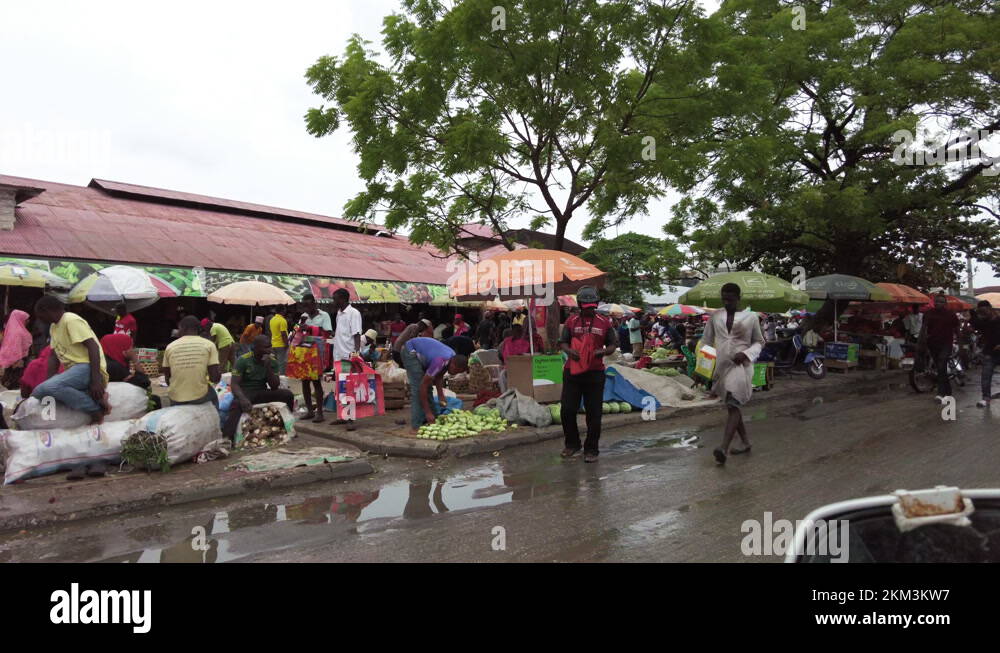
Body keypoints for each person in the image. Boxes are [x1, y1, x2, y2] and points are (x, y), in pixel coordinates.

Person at [701, 282, 765, 466]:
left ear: (738, 298)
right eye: (724, 298)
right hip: (722, 366)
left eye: (730, 298)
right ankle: (745, 442)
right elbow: (705, 342)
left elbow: (760, 342)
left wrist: (745, 353)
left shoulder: (751, 317)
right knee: (732, 406)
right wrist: (702, 369)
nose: (726, 302)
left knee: (734, 401)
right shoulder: (715, 316)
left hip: (741, 366)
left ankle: (723, 447)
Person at [559, 286, 617, 463]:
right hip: (573, 372)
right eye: (586, 306)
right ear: (579, 304)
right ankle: (572, 444)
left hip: (595, 373)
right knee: (567, 410)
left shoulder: (604, 322)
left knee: (594, 413)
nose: (589, 309)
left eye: (592, 306)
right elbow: (563, 342)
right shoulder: (571, 321)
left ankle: (591, 449)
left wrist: (603, 352)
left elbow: (613, 345)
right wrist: (570, 352)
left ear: (596, 304)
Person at [31, 295, 109, 423]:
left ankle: (95, 410)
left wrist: (96, 380)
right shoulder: (53, 327)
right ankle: (92, 397)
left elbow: (93, 347)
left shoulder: (70, 320)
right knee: (38, 392)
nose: (39, 319)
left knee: (50, 388)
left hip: (87, 367)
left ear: (46, 310)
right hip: (74, 371)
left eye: (40, 315)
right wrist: (49, 381)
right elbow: (53, 356)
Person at [223, 335, 295, 442]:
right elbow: (234, 384)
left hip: (261, 391)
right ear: (256, 348)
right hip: (246, 392)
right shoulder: (243, 360)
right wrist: (242, 398)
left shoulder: (272, 361)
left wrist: (268, 367)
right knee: (236, 405)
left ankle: (287, 426)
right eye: (266, 347)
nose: (270, 350)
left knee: (287, 395)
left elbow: (275, 386)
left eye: (270, 346)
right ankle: (227, 437)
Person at [400, 337, 469, 433]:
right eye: (457, 371)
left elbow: (439, 376)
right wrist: (428, 412)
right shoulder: (440, 361)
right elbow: (422, 386)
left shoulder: (452, 356)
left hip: (424, 352)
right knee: (418, 387)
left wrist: (441, 395)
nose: (455, 374)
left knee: (428, 387)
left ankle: (432, 417)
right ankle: (416, 425)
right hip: (410, 351)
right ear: (454, 365)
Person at [287, 295, 332, 423]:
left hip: (317, 352)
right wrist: (297, 328)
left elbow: (328, 333)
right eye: (304, 305)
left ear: (314, 303)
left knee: (316, 382)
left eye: (308, 305)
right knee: (304, 381)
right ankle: (310, 411)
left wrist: (310, 328)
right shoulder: (304, 316)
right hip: (304, 352)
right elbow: (295, 331)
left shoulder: (324, 315)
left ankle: (320, 413)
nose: (306, 308)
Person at [162, 316, 221, 406]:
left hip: (176, 397)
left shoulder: (170, 346)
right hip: (200, 396)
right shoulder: (209, 345)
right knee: (214, 398)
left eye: (179, 328)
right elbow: (214, 378)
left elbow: (167, 379)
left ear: (183, 328)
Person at [918, 293, 960, 401]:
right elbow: (924, 328)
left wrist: (960, 342)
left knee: (941, 365)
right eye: (937, 301)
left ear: (945, 303)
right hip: (932, 343)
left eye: (941, 302)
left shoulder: (951, 314)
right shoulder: (928, 314)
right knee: (940, 369)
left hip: (946, 343)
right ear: (934, 303)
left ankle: (940, 393)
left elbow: (956, 328)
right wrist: (922, 341)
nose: (939, 303)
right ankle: (948, 391)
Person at [969, 300, 1000, 408]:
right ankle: (986, 398)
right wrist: (972, 313)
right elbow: (975, 324)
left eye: (984, 311)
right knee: (986, 376)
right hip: (989, 352)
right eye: (980, 312)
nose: (983, 313)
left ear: (989, 308)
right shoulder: (984, 322)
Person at [0, 309, 33, 389]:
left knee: (10, 378)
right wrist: (17, 361)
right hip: (18, 361)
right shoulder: (18, 332)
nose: (27, 321)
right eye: (25, 319)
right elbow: (16, 348)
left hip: (12, 360)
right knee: (17, 381)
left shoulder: (12, 330)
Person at [269, 307, 289, 375]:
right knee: (281, 363)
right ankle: (281, 381)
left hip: (273, 343)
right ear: (282, 311)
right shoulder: (282, 320)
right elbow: (283, 333)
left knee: (274, 363)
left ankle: (274, 377)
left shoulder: (272, 320)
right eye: (285, 310)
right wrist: (286, 344)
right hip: (281, 344)